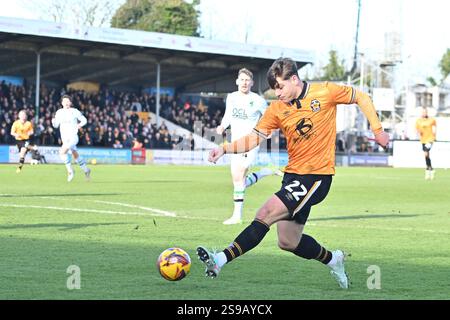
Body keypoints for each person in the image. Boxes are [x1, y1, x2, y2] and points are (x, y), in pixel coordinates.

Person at [197, 57, 389, 289]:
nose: (277, 93)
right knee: (288, 241)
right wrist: (224, 148)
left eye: (280, 87)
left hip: (317, 177)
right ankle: (333, 259)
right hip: (293, 176)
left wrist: (377, 130)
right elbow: (253, 139)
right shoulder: (277, 109)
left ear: (294, 79)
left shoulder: (325, 92)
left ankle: (219, 260)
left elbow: (361, 96)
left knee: (266, 212)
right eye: (273, 89)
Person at [217, 68, 282, 225]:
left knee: (239, 174)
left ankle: (237, 216)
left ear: (252, 83)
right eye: (242, 80)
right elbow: (228, 115)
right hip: (235, 143)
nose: (244, 83)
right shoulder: (231, 97)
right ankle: (264, 172)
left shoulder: (258, 100)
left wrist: (269, 131)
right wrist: (222, 126)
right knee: (238, 180)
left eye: (247, 80)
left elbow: (269, 117)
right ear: (237, 81)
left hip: (251, 142)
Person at [51, 95, 91, 182]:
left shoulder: (74, 111)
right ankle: (86, 170)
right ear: (61, 103)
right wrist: (53, 122)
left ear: (70, 102)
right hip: (64, 138)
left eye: (68, 101)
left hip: (73, 137)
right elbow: (56, 125)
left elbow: (84, 120)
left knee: (62, 152)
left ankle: (70, 171)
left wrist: (79, 125)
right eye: (64, 101)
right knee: (75, 155)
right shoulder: (59, 112)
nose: (66, 102)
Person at [416, 107, 437, 180]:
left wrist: (434, 136)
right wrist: (419, 132)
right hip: (423, 140)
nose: (424, 113)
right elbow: (417, 129)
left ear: (427, 112)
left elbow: (434, 128)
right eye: (423, 112)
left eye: (425, 112)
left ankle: (428, 170)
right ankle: (430, 168)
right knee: (426, 155)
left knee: (426, 153)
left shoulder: (432, 120)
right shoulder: (418, 121)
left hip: (430, 139)